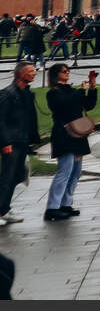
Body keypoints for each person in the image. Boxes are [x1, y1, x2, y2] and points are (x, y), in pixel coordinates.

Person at [43, 63, 97, 222]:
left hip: (77, 133)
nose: (67, 73)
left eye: (68, 71)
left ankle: (66, 203)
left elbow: (88, 105)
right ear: (55, 74)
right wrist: (81, 90)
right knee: (65, 170)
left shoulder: (72, 90)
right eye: (64, 71)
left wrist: (92, 88)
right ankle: (52, 208)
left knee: (76, 171)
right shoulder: (53, 93)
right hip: (64, 134)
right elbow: (64, 105)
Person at [0, 62, 41, 225]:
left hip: (23, 141)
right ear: (20, 74)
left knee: (17, 175)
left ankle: (4, 209)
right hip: (12, 142)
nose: (34, 73)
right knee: (8, 176)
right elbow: (1, 120)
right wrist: (5, 141)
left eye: (34, 71)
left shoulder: (27, 94)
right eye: (30, 71)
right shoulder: (7, 94)